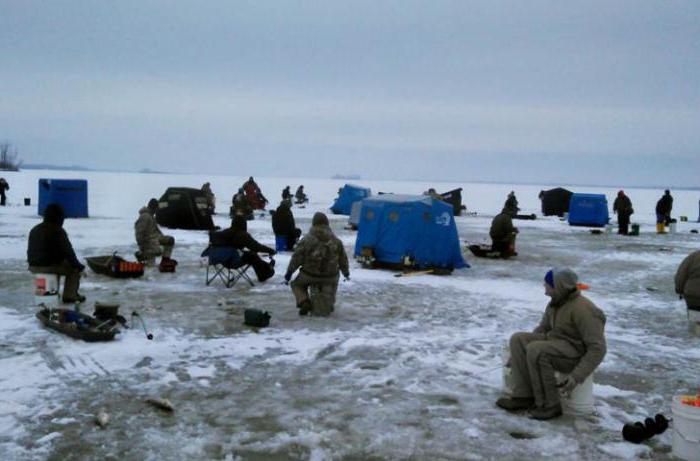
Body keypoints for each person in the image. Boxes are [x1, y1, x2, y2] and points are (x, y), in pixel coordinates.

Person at [496, 268, 607, 420]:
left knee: (537, 349)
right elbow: (543, 329)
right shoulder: (555, 303)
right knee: (518, 339)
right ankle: (524, 396)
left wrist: (577, 376)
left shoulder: (584, 309)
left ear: (559, 287)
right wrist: (518, 355)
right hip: (557, 345)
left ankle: (550, 404)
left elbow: (598, 348)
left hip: (575, 355)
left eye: (548, 284)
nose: (544, 287)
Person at [284, 212, 350, 316]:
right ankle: (330, 302)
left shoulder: (306, 240)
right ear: (327, 223)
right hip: (330, 276)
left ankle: (304, 301)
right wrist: (346, 273)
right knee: (333, 282)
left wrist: (289, 272)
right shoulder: (337, 241)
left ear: (313, 223)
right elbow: (343, 260)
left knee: (296, 284)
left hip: (309, 275)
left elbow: (296, 258)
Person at [27, 203, 86, 303]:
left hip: (34, 265)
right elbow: (68, 251)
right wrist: (79, 266)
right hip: (49, 265)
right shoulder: (57, 230)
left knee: (56, 266)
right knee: (72, 269)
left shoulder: (35, 229)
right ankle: (70, 295)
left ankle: (48, 294)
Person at [211, 215, 276, 281]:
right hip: (233, 261)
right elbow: (255, 246)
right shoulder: (242, 234)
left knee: (250, 254)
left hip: (222, 260)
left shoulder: (224, 233)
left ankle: (265, 270)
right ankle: (264, 274)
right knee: (252, 255)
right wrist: (270, 250)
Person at [135, 198, 176, 268]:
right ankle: (142, 255)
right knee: (152, 262)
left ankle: (165, 260)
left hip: (155, 237)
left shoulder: (151, 216)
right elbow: (139, 232)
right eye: (156, 208)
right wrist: (141, 246)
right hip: (148, 240)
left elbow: (155, 230)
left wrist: (161, 237)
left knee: (170, 240)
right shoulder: (145, 216)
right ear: (153, 207)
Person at [675, 250, 700, 315]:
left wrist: (679, 290)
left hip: (692, 296)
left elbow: (681, 275)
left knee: (696, 319)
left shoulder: (693, 256)